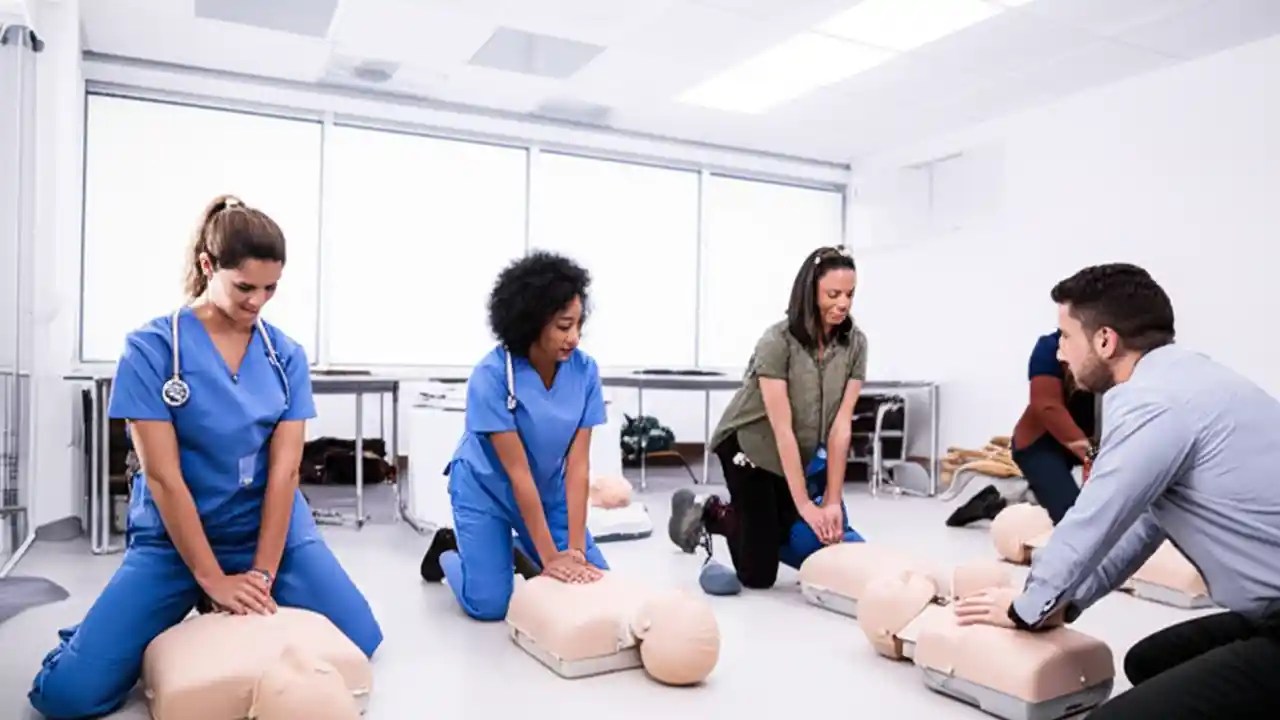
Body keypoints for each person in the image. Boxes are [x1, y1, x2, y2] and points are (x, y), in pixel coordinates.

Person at [28, 195, 382, 719]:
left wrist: (261, 575)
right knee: (68, 697)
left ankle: (221, 595)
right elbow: (165, 478)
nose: (258, 301)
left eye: (270, 288)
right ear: (207, 266)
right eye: (244, 286)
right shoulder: (152, 349)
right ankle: (99, 633)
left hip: (266, 530)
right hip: (175, 537)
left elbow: (285, 471)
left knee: (360, 639)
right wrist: (212, 579)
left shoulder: (284, 356)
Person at [954, 263, 1280, 719]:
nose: (1060, 354)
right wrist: (1064, 605)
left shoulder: (1150, 400)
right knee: (1147, 662)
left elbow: (1094, 517)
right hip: (1268, 610)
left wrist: (1025, 608)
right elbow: (1138, 525)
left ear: (1105, 340)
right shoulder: (1191, 378)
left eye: (1065, 337)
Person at [418, 251, 609, 621]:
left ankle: (515, 550)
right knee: (489, 605)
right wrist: (550, 558)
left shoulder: (585, 372)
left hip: (547, 490)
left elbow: (578, 466)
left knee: (593, 580)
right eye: (563, 326)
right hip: (485, 489)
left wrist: (572, 549)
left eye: (578, 324)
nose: (574, 337)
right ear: (532, 323)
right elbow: (517, 473)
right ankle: (448, 551)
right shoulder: (492, 376)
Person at [668, 246, 867, 591]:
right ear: (809, 292)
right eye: (832, 294)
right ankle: (712, 511)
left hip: (791, 455)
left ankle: (759, 518)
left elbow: (840, 428)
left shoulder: (855, 344)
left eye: (849, 294)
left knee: (800, 537)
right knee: (758, 575)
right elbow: (781, 428)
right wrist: (805, 504)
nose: (843, 303)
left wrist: (832, 500)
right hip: (749, 446)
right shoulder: (777, 341)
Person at [946, 329, 1097, 526]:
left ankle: (1001, 501)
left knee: (1079, 506)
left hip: (1084, 443)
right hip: (1038, 445)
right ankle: (996, 505)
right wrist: (1092, 456)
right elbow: (1047, 407)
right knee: (1073, 519)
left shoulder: (1119, 348)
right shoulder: (1049, 347)